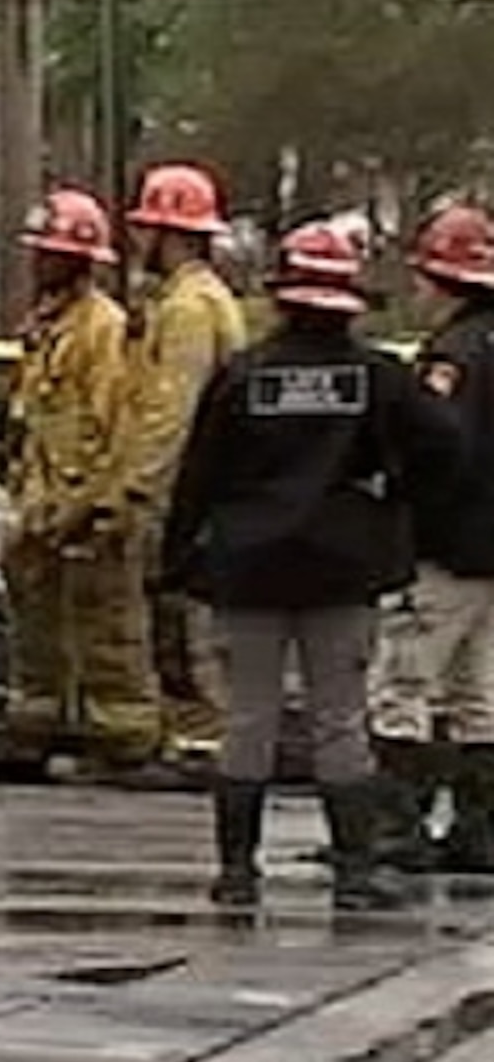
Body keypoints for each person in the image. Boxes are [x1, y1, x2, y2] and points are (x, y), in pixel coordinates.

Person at [161, 220, 451, 913]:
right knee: (340, 720)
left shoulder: (243, 376)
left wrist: (177, 559)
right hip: (342, 570)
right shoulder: (378, 378)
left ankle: (237, 873)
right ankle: (354, 872)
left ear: (283, 297)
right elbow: (447, 448)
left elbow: (196, 476)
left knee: (248, 720)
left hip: (247, 569)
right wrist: (391, 499)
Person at [4, 186, 163, 774]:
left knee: (107, 638)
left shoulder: (103, 330)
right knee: (39, 634)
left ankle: (120, 746)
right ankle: (40, 734)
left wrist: (95, 508)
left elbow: (114, 428)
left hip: (85, 512)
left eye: (50, 253)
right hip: (41, 509)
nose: (38, 263)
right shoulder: (48, 327)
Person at [369, 200, 494, 878]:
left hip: (446, 550)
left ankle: (399, 829)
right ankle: (479, 833)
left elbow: (437, 448)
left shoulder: (450, 357)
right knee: (481, 693)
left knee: (405, 684)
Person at [121, 161, 248, 761]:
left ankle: (202, 744)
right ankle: (197, 738)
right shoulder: (195, 299)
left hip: (185, 498)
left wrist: (139, 490)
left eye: (148, 229)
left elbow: (172, 410)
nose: (139, 241)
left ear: (168, 234)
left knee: (180, 630)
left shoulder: (190, 308)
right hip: (202, 491)